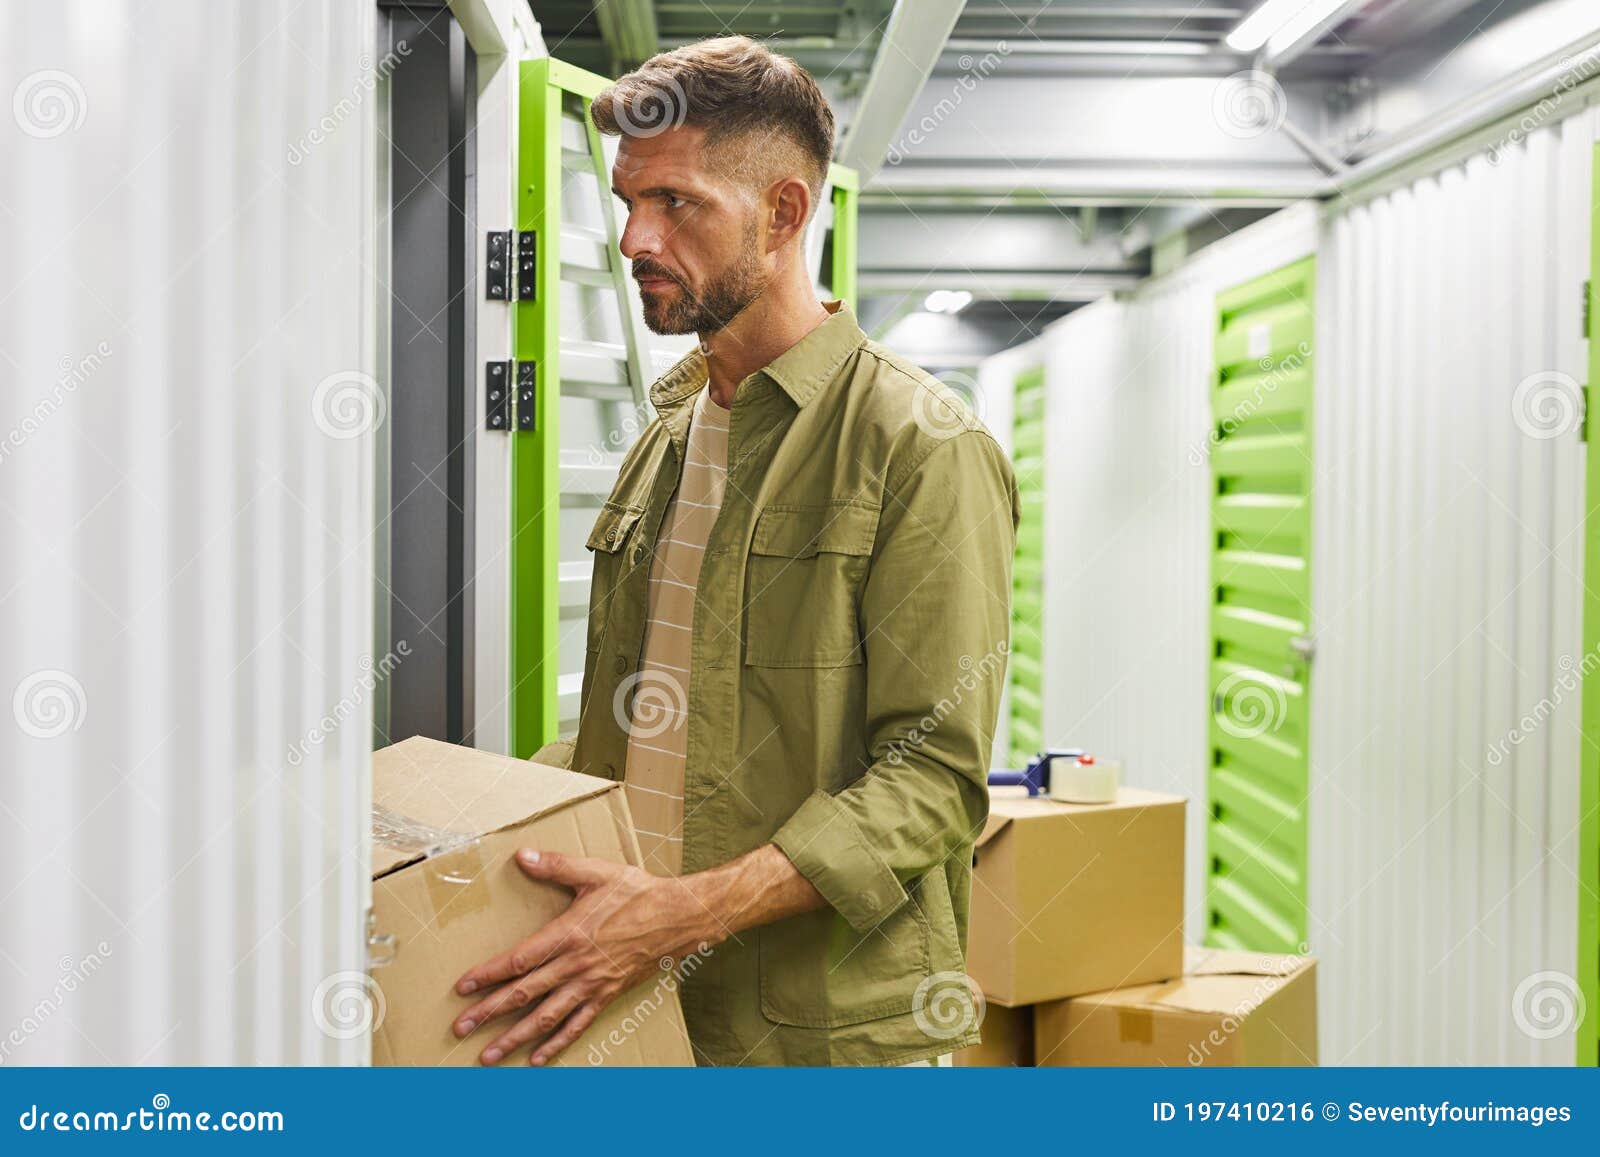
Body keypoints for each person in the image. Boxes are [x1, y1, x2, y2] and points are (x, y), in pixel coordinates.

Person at [450, 34, 1018, 1067]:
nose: (633, 237)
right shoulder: (668, 436)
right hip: (642, 1005)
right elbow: (640, 725)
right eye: (627, 202)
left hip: (821, 1037)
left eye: (676, 203)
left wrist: (680, 912)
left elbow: (933, 781)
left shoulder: (917, 445)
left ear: (785, 212)